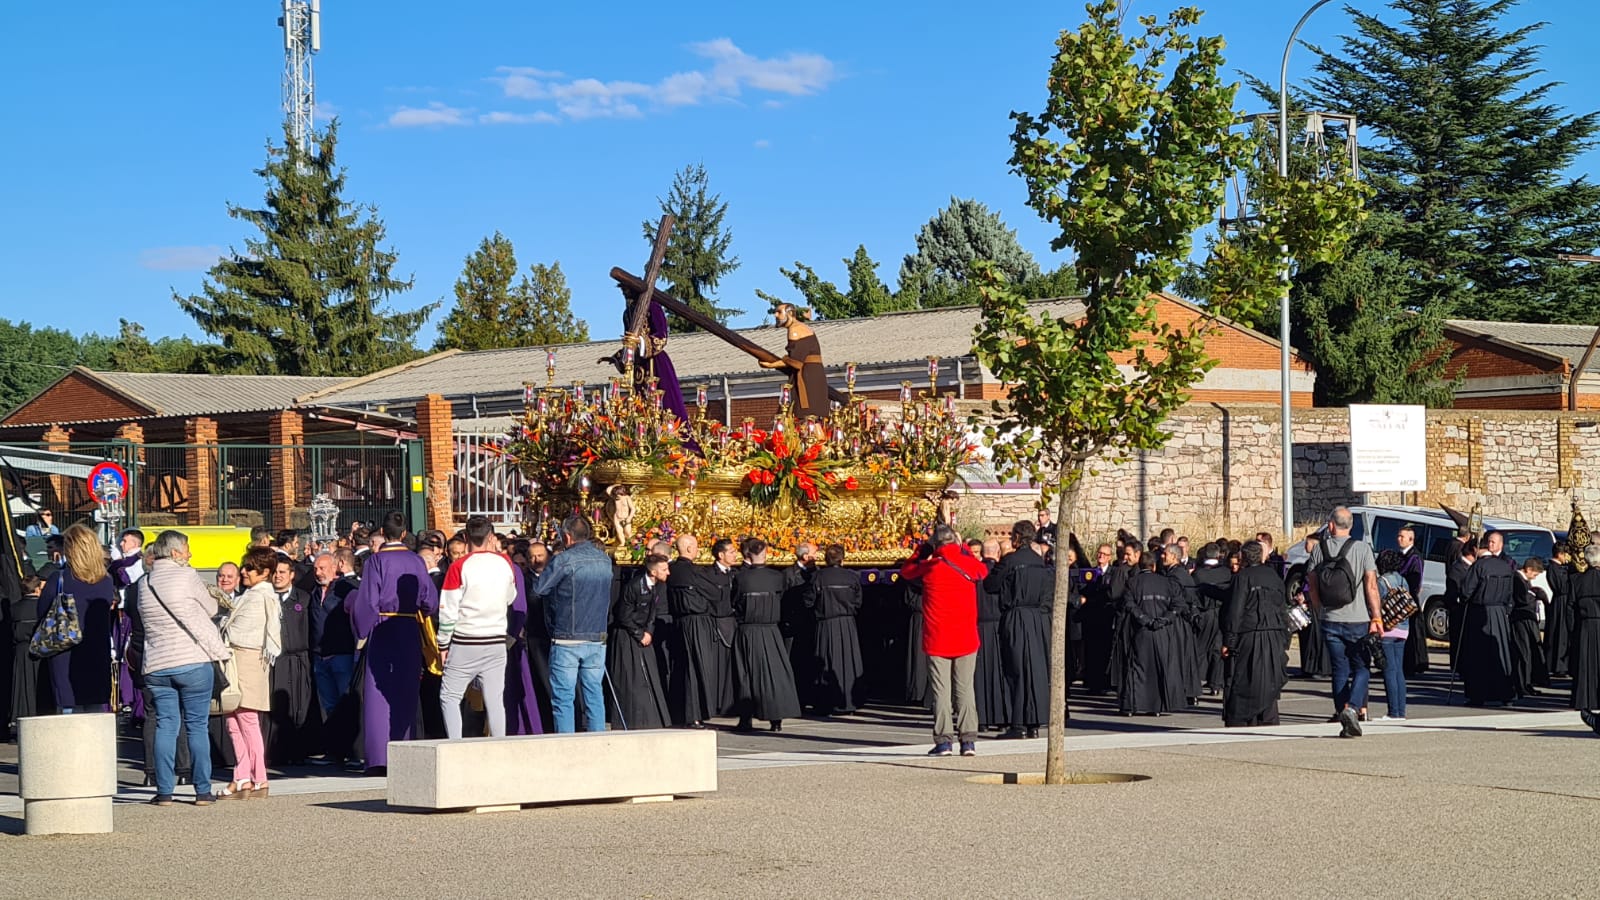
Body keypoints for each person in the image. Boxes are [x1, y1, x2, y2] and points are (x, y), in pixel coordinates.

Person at [136, 531, 229, 806]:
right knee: (197, 726)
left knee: (166, 726)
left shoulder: (144, 583)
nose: (189, 554)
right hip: (191, 659)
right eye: (187, 549)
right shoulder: (187, 575)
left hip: (157, 663)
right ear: (175, 552)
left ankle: (164, 791)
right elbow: (211, 608)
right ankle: (202, 790)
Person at [349, 511, 439, 773]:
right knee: (406, 690)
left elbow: (368, 601)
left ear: (382, 532)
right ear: (404, 533)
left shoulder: (376, 561)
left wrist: (361, 629)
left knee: (377, 693)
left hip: (382, 627)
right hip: (408, 627)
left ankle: (380, 757)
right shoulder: (416, 560)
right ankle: (405, 752)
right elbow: (429, 600)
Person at [899, 524, 987, 758]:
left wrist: (922, 549)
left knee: (941, 692)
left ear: (935, 545)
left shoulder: (931, 567)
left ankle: (944, 741)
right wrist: (964, 547)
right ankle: (968, 741)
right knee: (965, 690)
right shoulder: (967, 564)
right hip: (966, 636)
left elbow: (907, 571)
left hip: (938, 637)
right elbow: (982, 570)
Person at [437, 516, 519, 739]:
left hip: (466, 640)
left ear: (465, 537)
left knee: (450, 696)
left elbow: (448, 611)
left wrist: (443, 644)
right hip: (495, 640)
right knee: (495, 700)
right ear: (491, 536)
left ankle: (455, 744)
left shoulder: (458, 566)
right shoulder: (505, 562)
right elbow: (511, 597)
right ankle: (499, 745)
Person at [534, 515, 612, 733]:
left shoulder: (565, 559)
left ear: (567, 537)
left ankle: (566, 743)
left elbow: (540, 588)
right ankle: (597, 740)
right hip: (597, 636)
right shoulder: (604, 559)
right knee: (594, 694)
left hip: (567, 636)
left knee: (563, 698)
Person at [1308, 508, 1382, 738]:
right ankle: (1352, 708)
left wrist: (1320, 610)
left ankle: (1343, 714)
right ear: (1351, 526)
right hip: (1358, 619)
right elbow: (1371, 586)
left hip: (1330, 620)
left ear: (1331, 525)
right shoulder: (1362, 549)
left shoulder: (1319, 549)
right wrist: (1376, 617)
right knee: (1362, 667)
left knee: (1339, 669)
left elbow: (1312, 585)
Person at [221, 547, 282, 799]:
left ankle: (258, 777)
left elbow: (239, 632)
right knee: (232, 720)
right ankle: (243, 775)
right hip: (238, 660)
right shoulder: (251, 594)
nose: (244, 572)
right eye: (244, 566)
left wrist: (222, 621)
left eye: (249, 568)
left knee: (246, 720)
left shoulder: (261, 597)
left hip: (248, 660)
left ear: (265, 572)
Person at [36, 524, 117, 713]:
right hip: (97, 650)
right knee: (95, 708)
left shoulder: (60, 578)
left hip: (65, 650)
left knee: (69, 709)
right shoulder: (106, 580)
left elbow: (42, 612)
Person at [985, 520, 1052, 740]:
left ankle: (1018, 723)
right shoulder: (1039, 562)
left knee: (1015, 669)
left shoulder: (1011, 561)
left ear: (1016, 537)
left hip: (1015, 616)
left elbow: (990, 585)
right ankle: (1033, 722)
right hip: (1036, 618)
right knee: (1034, 669)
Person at [731, 539, 801, 732]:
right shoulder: (776, 577)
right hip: (770, 630)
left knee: (746, 674)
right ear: (765, 553)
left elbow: (735, 602)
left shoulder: (741, 578)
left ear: (748, 554)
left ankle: (746, 719)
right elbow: (782, 600)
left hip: (748, 630)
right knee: (774, 673)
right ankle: (775, 719)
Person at [1221, 541, 1288, 726]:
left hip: (1250, 634)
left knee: (1246, 678)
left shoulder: (1242, 577)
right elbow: (1282, 608)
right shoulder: (1274, 576)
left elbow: (1235, 611)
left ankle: (1244, 719)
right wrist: (1284, 638)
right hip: (1274, 634)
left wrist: (1229, 641)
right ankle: (1267, 718)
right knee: (1270, 678)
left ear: (1243, 557)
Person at [607, 554, 671, 730]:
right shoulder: (634, 587)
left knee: (649, 675)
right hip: (628, 634)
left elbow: (652, 613)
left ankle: (650, 717)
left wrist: (649, 631)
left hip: (644, 632)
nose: (668, 572)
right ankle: (630, 718)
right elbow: (623, 615)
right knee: (631, 678)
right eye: (664, 569)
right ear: (653, 571)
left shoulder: (658, 586)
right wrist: (639, 634)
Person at [1119, 548, 1185, 716]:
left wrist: (1144, 619)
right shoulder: (1167, 582)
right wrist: (1164, 620)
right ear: (1154, 566)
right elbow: (1178, 605)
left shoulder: (1132, 583)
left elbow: (1129, 605)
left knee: (1137, 667)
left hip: (1141, 630)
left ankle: (1132, 705)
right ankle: (1156, 706)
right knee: (1158, 666)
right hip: (1162, 631)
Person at [1457, 532, 1520, 708]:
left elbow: (1466, 591)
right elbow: (1510, 594)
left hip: (1480, 612)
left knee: (1478, 656)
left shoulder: (1479, 566)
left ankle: (1478, 695)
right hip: (1499, 613)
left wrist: (1463, 600)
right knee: (1500, 653)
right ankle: (1505, 693)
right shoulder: (1506, 566)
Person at [306, 552, 356, 764]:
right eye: (316, 569)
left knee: (346, 704)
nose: (318, 573)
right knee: (329, 706)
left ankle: (352, 750)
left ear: (335, 567)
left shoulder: (346, 589)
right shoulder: (314, 592)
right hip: (320, 656)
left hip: (342, 654)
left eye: (322, 568)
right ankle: (334, 751)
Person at [265, 556, 316, 764]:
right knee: (274, 706)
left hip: (299, 660)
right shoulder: (265, 598)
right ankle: (275, 753)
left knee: (299, 705)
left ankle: (298, 752)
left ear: (292, 575)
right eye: (275, 572)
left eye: (282, 572)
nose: (278, 576)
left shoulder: (304, 599)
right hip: (275, 661)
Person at [808, 545, 864, 715]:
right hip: (847, 624)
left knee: (826, 660)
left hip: (825, 623)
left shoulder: (818, 577)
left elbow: (809, 601)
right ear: (842, 559)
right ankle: (848, 702)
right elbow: (858, 602)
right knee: (848, 662)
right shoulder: (852, 577)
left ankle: (826, 703)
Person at [758, 303, 829, 420]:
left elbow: (795, 361)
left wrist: (771, 364)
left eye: (779, 312)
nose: (776, 315)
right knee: (812, 416)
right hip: (813, 374)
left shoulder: (794, 329)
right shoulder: (802, 327)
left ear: (790, 313)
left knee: (805, 414)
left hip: (807, 377)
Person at [1374, 550, 1411, 722]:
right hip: (1403, 628)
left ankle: (1393, 711)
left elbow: (1376, 604)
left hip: (1388, 628)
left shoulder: (1381, 582)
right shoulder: (1403, 580)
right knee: (1398, 671)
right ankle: (1401, 711)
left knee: (1389, 670)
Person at [1567, 545, 1600, 735]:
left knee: (1587, 669)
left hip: (1585, 628)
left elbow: (1570, 610)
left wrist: (1573, 632)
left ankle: (1587, 705)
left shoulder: (1576, 580)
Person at [1191, 542, 1231, 695]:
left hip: (1204, 613)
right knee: (1217, 648)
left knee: (1199, 649)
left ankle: (1195, 683)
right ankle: (1216, 684)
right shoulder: (1226, 573)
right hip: (1221, 612)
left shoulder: (1198, 574)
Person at [1512, 557, 1551, 698]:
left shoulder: (1524, 581)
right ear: (1528, 570)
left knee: (1529, 651)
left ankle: (1527, 683)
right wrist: (1535, 594)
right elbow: (1522, 599)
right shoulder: (1517, 579)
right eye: (1534, 574)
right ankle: (1522, 684)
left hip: (1527, 617)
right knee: (1523, 652)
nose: (1534, 578)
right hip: (1520, 619)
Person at [1395, 526, 1429, 675]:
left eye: (1402, 537)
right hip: (1398, 598)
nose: (1399, 539)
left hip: (1409, 599)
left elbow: (1416, 579)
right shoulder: (1399, 555)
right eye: (1398, 536)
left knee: (1412, 633)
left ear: (1411, 539)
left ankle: (1411, 665)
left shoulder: (1415, 557)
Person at [1544, 543, 1574, 679]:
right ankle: (1558, 666)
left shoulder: (1560, 568)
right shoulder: (1553, 568)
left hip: (1564, 601)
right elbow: (1562, 587)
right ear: (1560, 554)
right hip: (1560, 602)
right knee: (1560, 633)